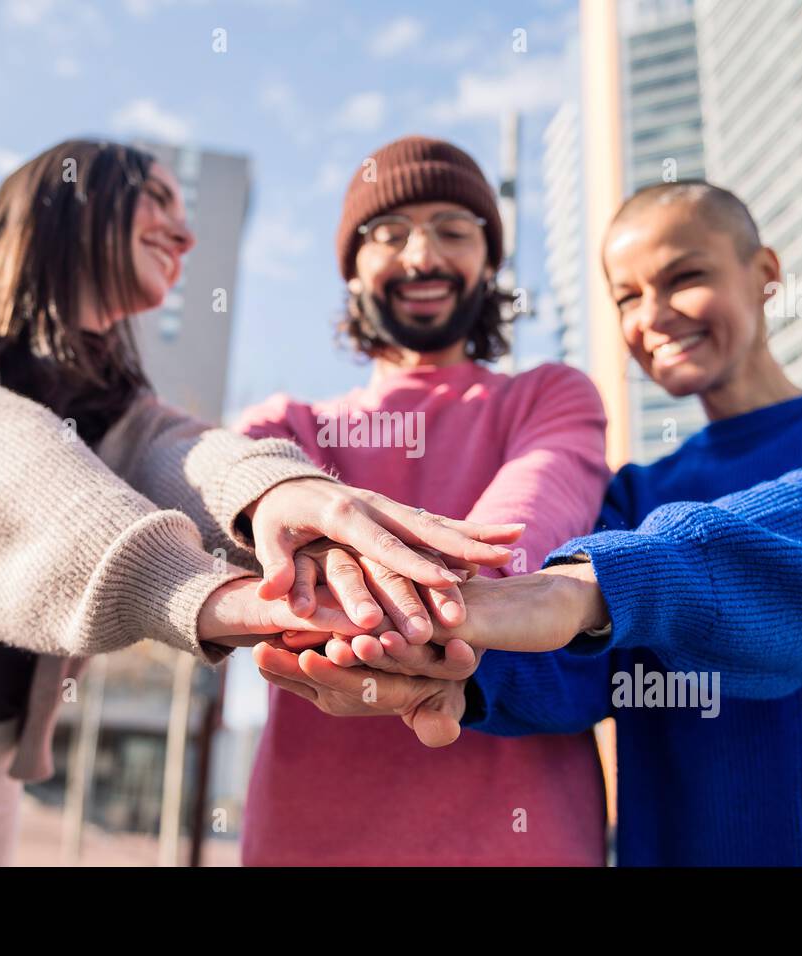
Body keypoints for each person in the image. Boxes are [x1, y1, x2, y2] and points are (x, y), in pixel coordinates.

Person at [0, 138, 520, 866]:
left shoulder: (125, 412)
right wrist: (202, 592)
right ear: (68, 198)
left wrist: (289, 493)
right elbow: (2, 460)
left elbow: (193, 456)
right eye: (157, 201)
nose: (184, 233)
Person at [260, 180, 802, 866]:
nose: (653, 315)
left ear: (764, 274)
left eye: (685, 277)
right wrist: (441, 666)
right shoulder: (628, 503)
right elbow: (563, 667)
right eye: (626, 297)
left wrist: (593, 585)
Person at [237, 136, 611, 866]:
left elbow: (529, 513)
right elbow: (226, 520)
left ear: (489, 261)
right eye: (390, 234)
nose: (421, 257)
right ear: (351, 272)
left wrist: (405, 608)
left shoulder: (550, 396)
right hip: (310, 833)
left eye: (452, 229)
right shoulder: (283, 430)